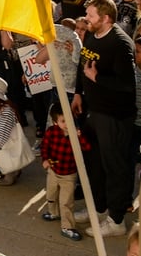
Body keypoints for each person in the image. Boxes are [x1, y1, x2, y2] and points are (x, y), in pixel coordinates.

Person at [72, 0, 136, 238]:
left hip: (115, 116)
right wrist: (79, 92)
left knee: (114, 167)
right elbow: (83, 65)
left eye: (90, 16)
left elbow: (127, 84)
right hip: (94, 112)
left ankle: (116, 220)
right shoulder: (92, 35)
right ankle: (99, 209)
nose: (86, 19)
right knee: (95, 165)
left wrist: (97, 79)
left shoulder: (120, 43)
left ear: (106, 18)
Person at [40, 103, 91, 241]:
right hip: (53, 171)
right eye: (63, 121)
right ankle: (53, 212)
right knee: (51, 194)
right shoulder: (51, 132)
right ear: (55, 122)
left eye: (69, 119)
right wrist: (45, 159)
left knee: (66, 202)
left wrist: (79, 137)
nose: (67, 123)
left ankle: (67, 227)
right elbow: (44, 146)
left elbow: (87, 148)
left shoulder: (76, 133)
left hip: (69, 175)